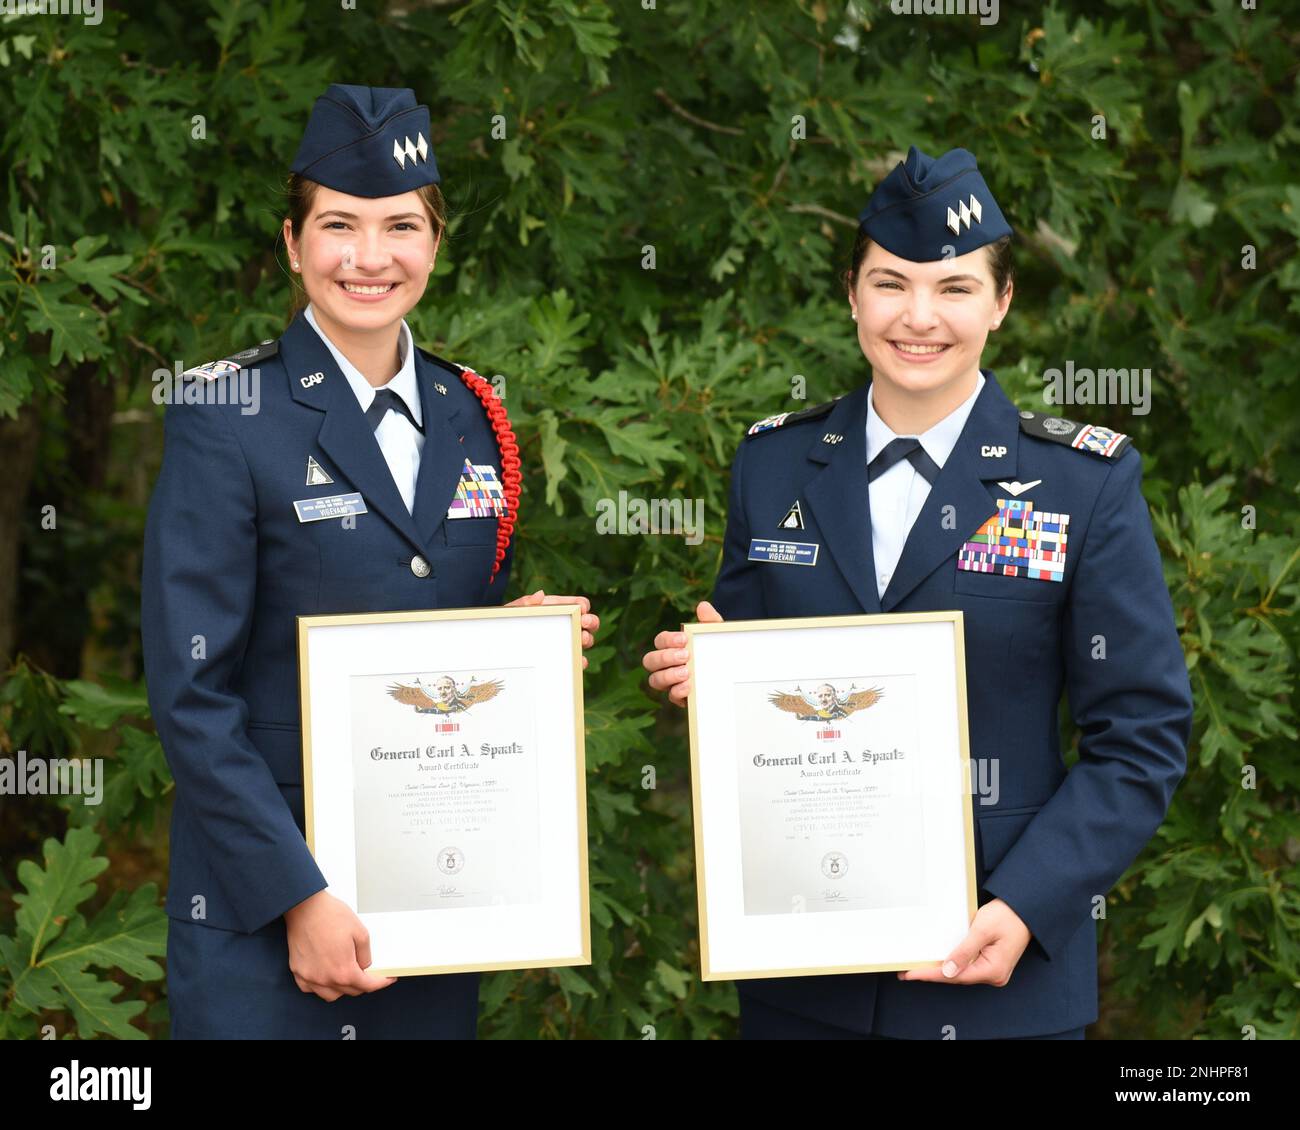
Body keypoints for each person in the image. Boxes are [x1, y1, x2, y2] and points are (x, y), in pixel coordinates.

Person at [642, 145, 1193, 1040]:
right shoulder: (775, 462)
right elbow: (754, 693)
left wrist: (1024, 905)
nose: (919, 317)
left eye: (956, 288)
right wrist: (703, 681)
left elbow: (1142, 738)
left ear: (1003, 302)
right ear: (853, 294)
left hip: (997, 980)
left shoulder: (1082, 484)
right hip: (801, 983)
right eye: (891, 284)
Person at [142, 83, 599, 1039]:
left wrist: (519, 653)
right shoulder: (227, 414)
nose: (369, 257)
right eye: (339, 225)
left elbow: (442, 633)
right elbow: (193, 695)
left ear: (434, 242)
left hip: (437, 916)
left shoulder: (475, 413)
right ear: (292, 242)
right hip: (269, 931)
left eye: (400, 226)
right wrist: (297, 898)